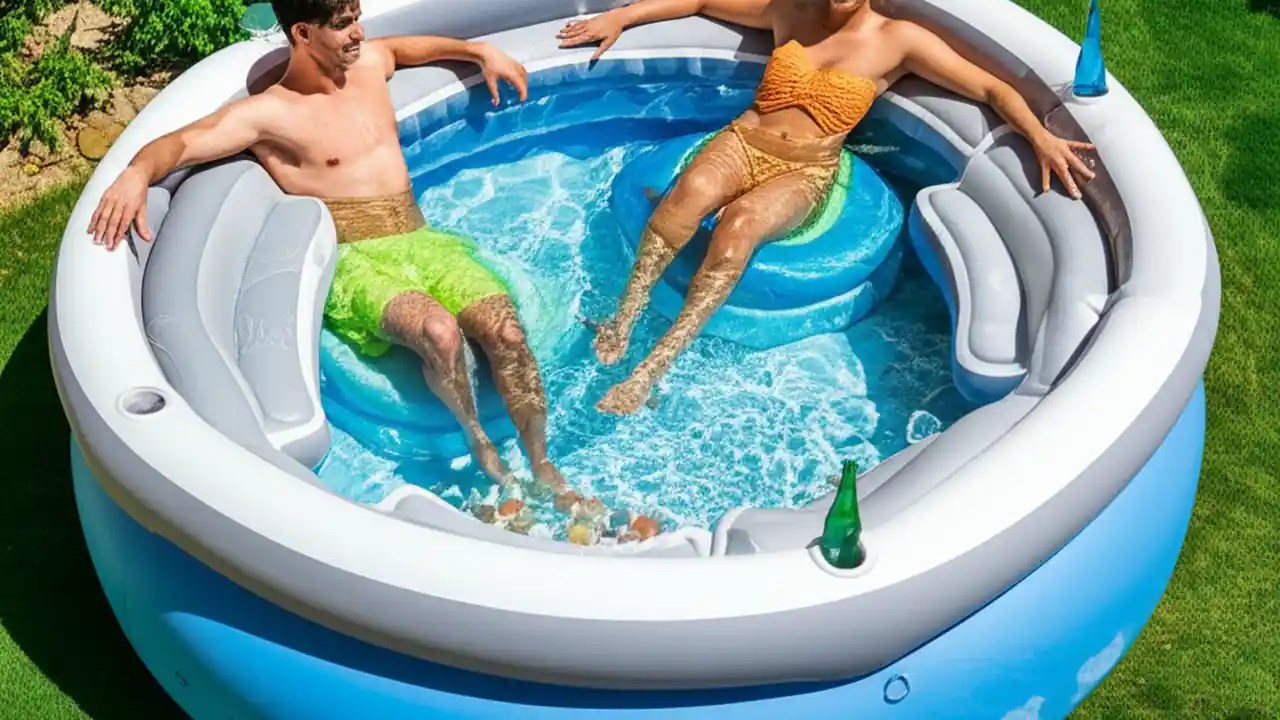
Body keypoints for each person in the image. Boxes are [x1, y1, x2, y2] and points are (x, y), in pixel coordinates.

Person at [89, 0, 569, 492]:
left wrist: (477, 51)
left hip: (422, 242)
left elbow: (405, 49)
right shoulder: (270, 113)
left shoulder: (366, 67)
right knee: (439, 332)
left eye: (357, 16)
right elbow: (184, 143)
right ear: (302, 32)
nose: (359, 33)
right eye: (343, 25)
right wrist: (137, 173)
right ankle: (481, 449)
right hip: (357, 260)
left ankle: (543, 463)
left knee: (506, 333)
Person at [558, 0, 1098, 415]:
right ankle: (623, 318)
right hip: (741, 142)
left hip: (804, 168)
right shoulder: (792, 8)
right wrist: (622, 18)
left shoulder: (900, 40)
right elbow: (700, 2)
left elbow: (990, 88)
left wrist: (1040, 138)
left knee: (738, 227)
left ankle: (655, 366)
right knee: (688, 193)